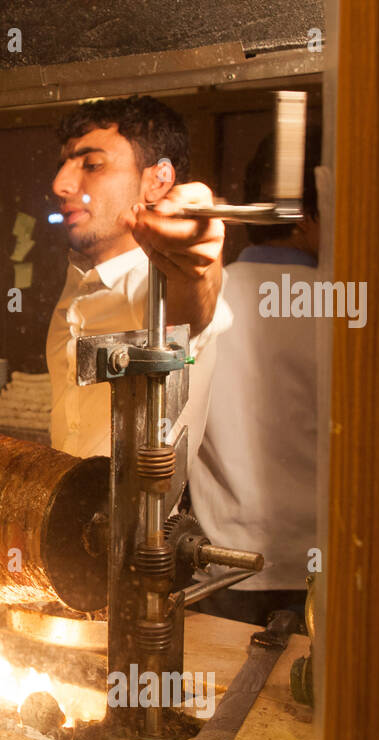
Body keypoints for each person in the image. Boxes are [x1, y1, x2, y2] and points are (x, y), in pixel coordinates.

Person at [46, 95, 232, 461]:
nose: (60, 184)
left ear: (158, 181)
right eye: (63, 165)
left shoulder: (156, 283)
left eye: (92, 164)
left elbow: (191, 312)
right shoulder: (82, 278)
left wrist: (198, 262)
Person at [190, 129, 323, 626]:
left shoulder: (203, 299)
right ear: (309, 216)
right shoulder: (348, 306)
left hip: (225, 566)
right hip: (320, 570)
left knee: (226, 701)